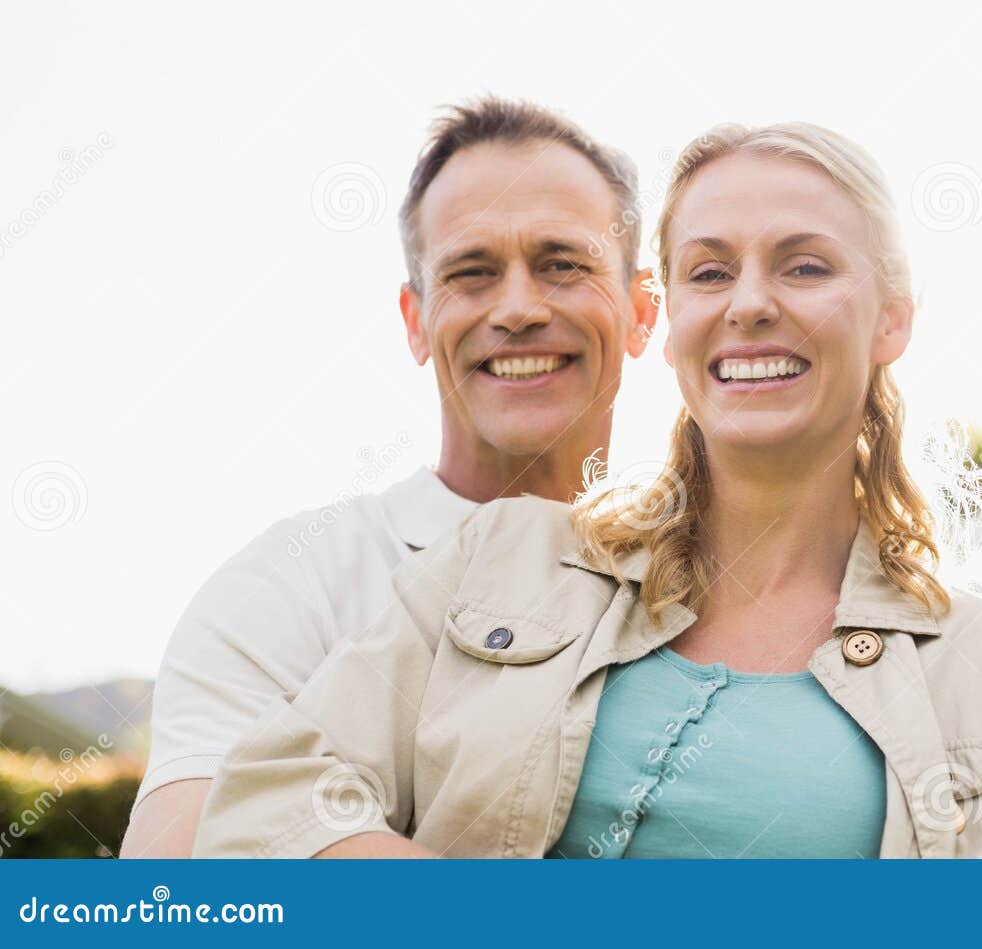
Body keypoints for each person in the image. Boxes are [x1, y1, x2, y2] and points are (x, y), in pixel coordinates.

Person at [193, 122, 982, 858]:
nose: (748, 303)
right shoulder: (501, 557)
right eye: (710, 271)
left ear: (894, 314)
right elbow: (263, 809)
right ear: (668, 326)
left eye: (805, 265)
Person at [119, 97, 658, 857]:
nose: (517, 307)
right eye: (472, 273)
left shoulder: (728, 578)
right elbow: (176, 892)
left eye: (561, 264)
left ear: (641, 311)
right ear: (415, 320)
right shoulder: (291, 584)